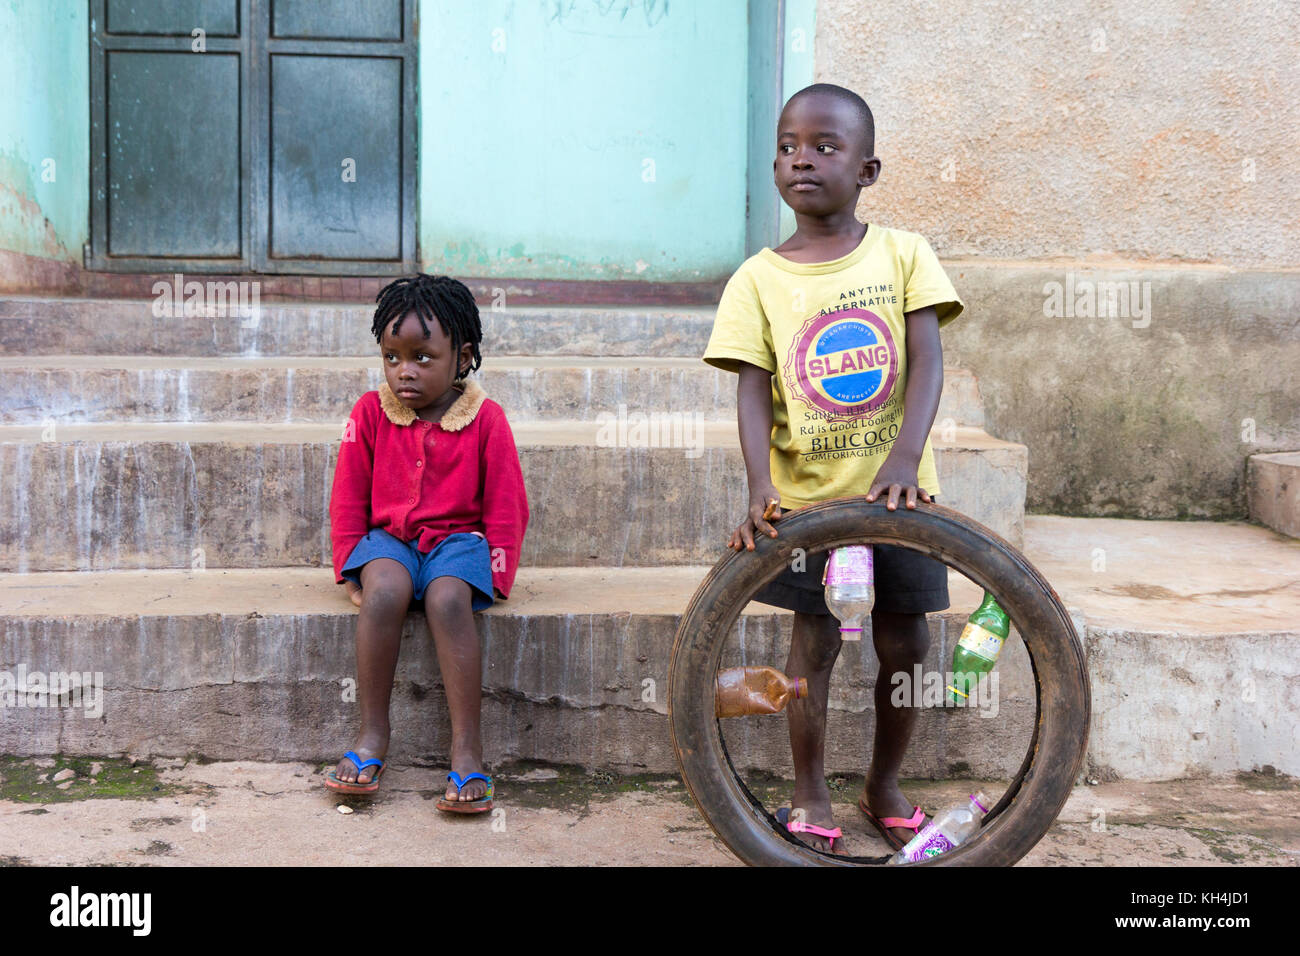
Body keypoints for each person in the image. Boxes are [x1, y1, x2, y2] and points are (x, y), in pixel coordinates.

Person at [702, 83, 964, 854]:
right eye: (787, 146)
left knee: (905, 646)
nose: (801, 159)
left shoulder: (904, 253)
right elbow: (753, 391)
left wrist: (907, 456)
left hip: (900, 496)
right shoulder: (757, 279)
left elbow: (927, 360)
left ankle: (883, 782)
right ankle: (810, 791)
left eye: (824, 146)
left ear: (868, 169)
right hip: (809, 504)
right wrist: (760, 486)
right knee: (811, 647)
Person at [324, 274, 529, 814]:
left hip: (458, 545)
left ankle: (466, 749)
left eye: (422, 356)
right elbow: (347, 495)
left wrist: (497, 574)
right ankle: (372, 735)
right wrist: (351, 567)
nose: (404, 371)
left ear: (462, 358)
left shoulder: (486, 420)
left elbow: (507, 505)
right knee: (385, 592)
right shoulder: (371, 412)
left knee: (445, 599)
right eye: (392, 357)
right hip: (387, 541)